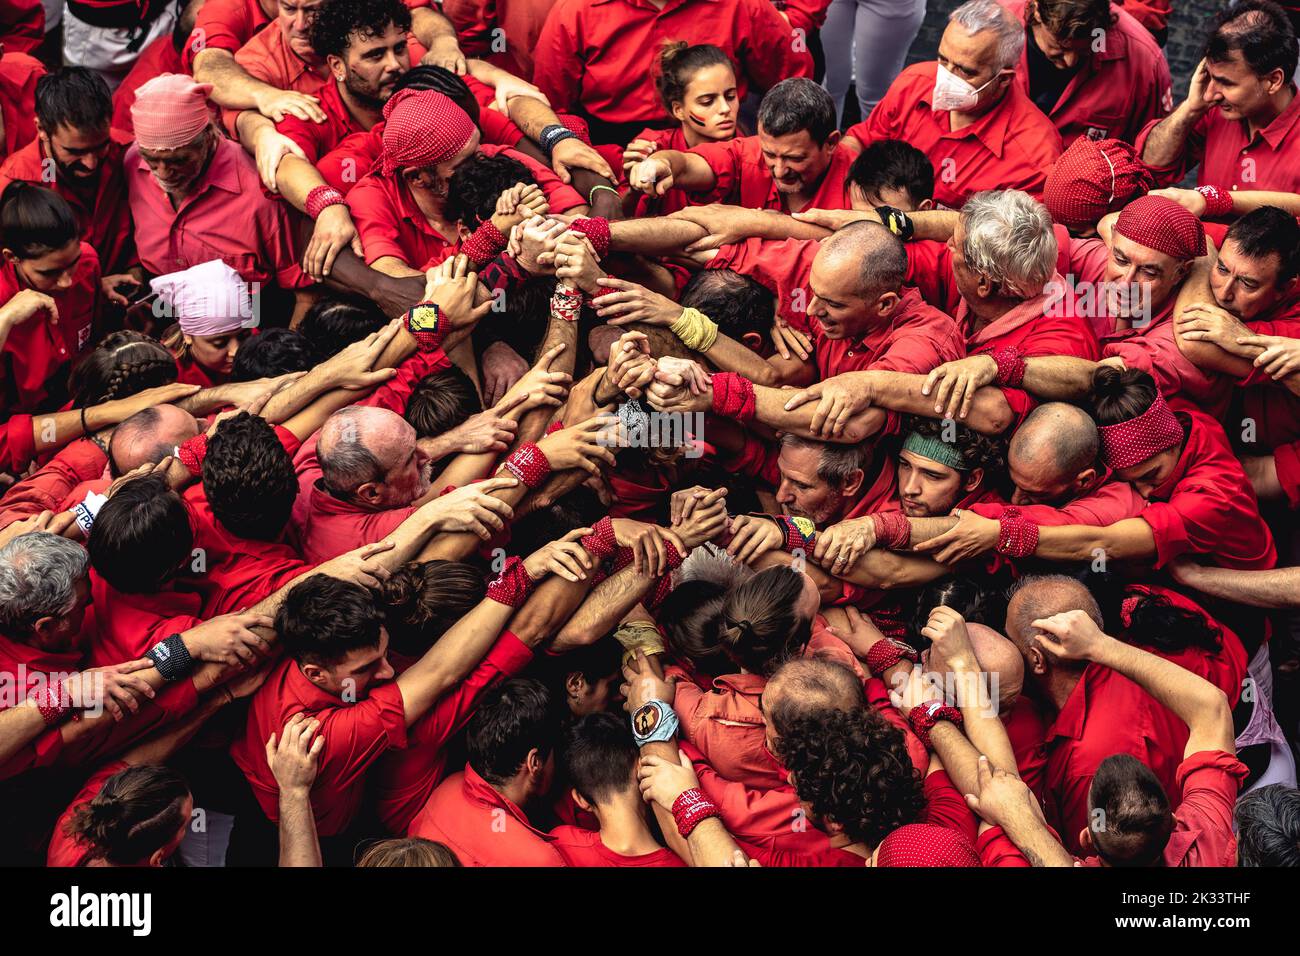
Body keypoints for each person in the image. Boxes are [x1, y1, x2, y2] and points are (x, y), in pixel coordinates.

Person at [843, 0, 1063, 209]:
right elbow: (861, 140)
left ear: (1003, 78)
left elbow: (1014, 237)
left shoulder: (1035, 155)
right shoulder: (914, 83)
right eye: (942, 60)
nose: (946, 77)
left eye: (965, 71)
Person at [1138, 0, 1300, 193]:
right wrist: (1190, 109)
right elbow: (1150, 166)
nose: (1210, 93)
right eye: (1210, 77)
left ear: (1273, 80)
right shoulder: (1213, 111)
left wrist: (1216, 202)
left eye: (1227, 83)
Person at [1005, 0, 1171, 147]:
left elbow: (1153, 156)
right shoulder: (992, 24)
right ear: (1036, 10)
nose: (1071, 61)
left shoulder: (1144, 63)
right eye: (1060, 49)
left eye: (1085, 49)